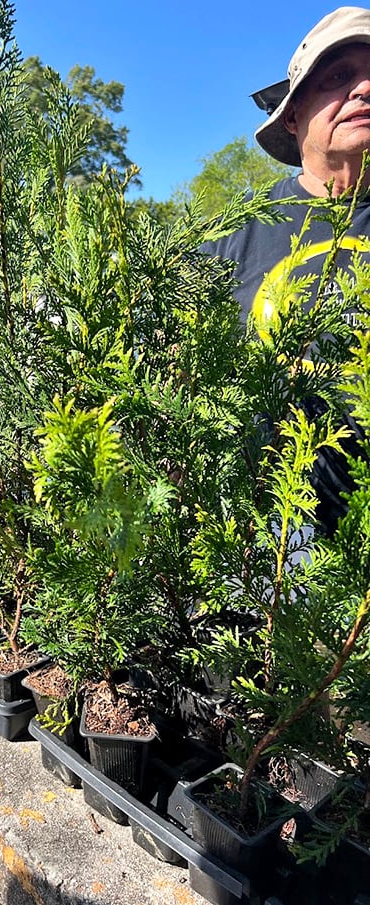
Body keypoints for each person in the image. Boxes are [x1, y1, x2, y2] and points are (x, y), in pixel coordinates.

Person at [201, 6, 370, 532]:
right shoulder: (230, 236)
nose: (365, 89)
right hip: (261, 551)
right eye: (340, 77)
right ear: (293, 115)